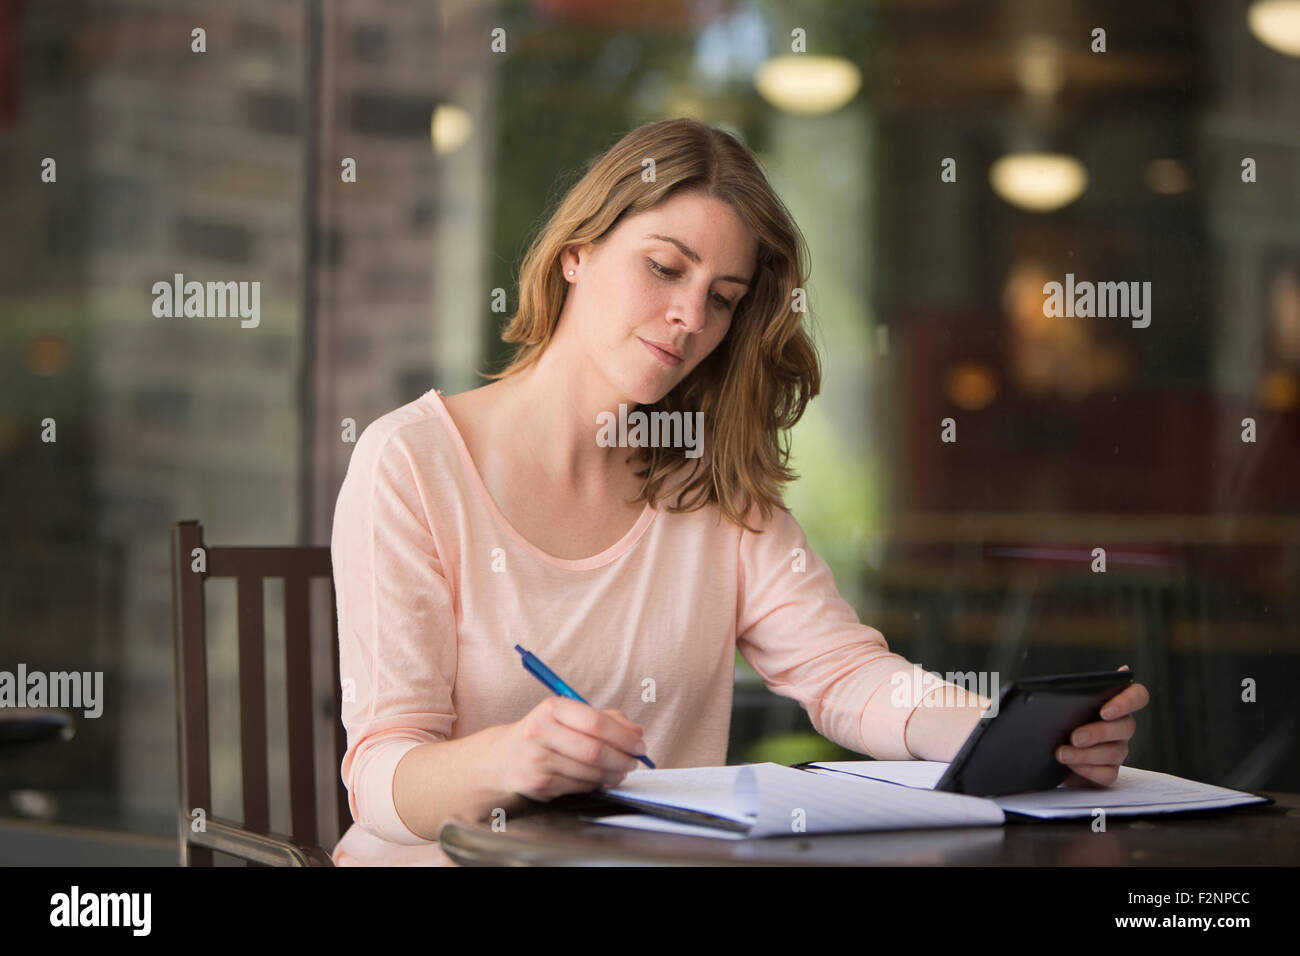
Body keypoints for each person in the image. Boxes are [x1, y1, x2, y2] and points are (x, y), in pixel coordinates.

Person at [329, 117, 1150, 866]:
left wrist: (1001, 731)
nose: (690, 316)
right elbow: (379, 776)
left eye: (722, 299)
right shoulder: (411, 463)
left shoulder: (707, 478)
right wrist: (507, 760)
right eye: (663, 268)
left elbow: (842, 676)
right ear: (575, 252)